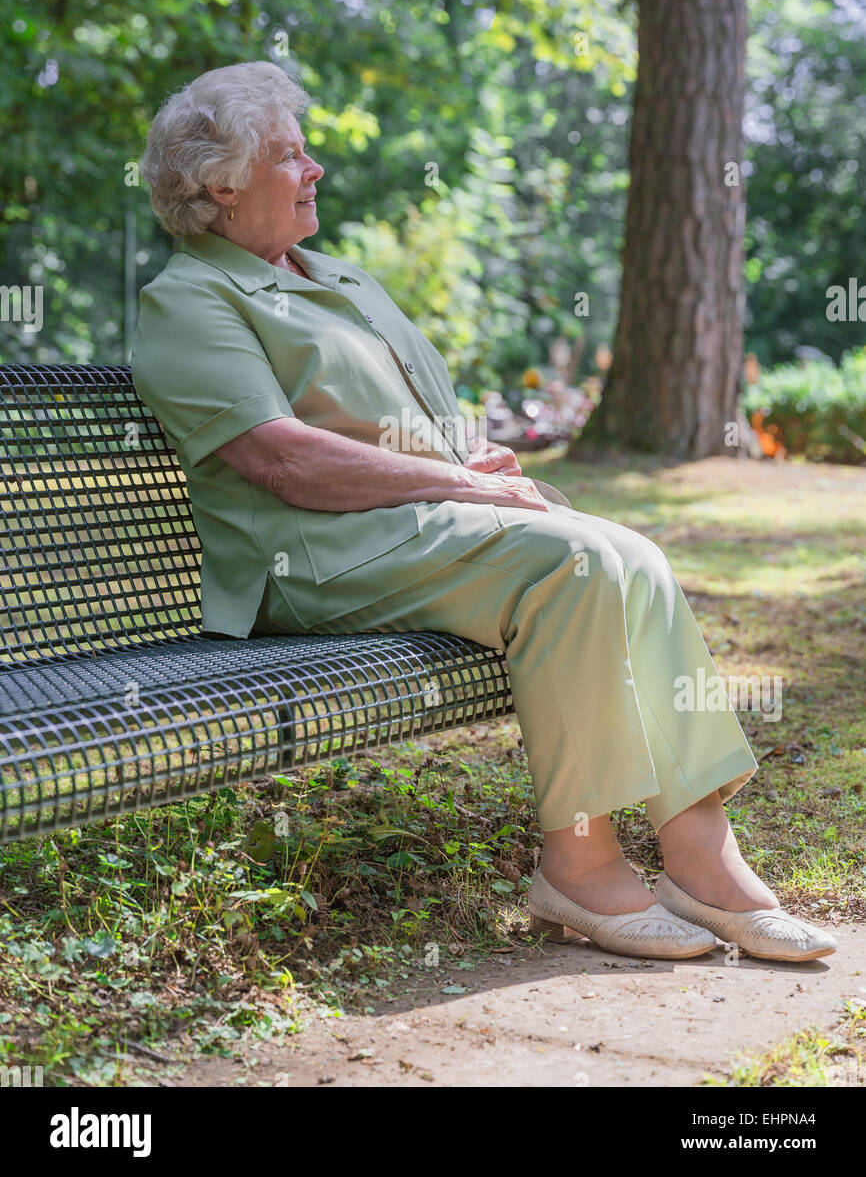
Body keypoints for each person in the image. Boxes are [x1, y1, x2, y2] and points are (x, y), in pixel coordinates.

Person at [131, 60, 835, 963]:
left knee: (627, 554)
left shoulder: (335, 277)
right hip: (311, 560)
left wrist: (461, 457)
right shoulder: (191, 300)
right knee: (573, 565)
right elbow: (282, 457)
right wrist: (465, 485)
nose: (315, 171)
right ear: (223, 186)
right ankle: (577, 867)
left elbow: (397, 417)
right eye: (291, 156)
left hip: (409, 530)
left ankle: (700, 852)